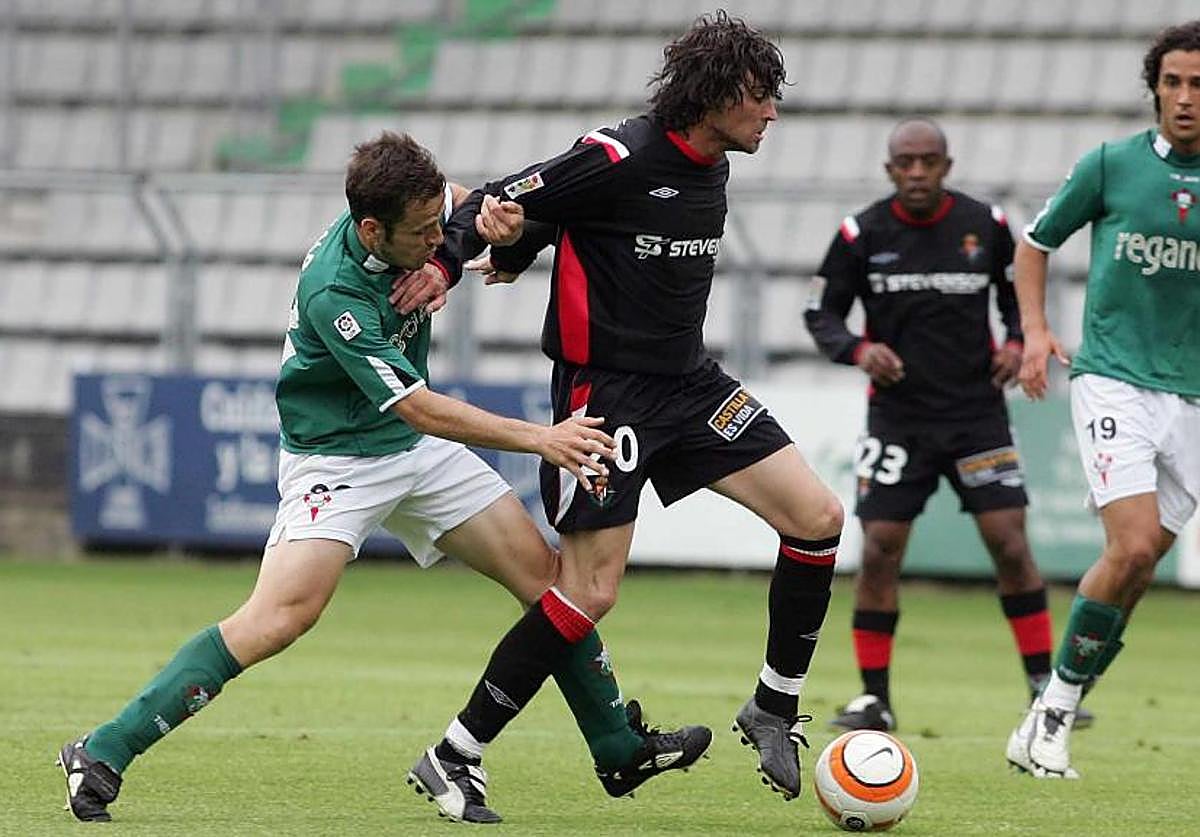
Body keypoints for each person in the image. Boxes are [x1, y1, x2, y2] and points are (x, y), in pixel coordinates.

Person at [57, 131, 708, 824]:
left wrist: (501, 236)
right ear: (372, 230)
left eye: (436, 224)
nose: (436, 239)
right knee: (280, 617)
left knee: (551, 583)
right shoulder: (335, 291)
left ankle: (617, 747)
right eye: (423, 233)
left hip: (413, 451)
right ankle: (102, 749)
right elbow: (418, 406)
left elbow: (476, 207)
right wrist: (541, 439)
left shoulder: (414, 211)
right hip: (338, 459)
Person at [397, 11, 844, 814]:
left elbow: (570, 222)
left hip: (692, 386)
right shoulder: (619, 153)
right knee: (589, 590)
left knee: (817, 518)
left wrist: (527, 243)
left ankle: (773, 705)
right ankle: (454, 752)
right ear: (715, 96)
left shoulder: (713, 162)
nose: (772, 112)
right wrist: (454, 261)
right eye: (760, 96)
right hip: (607, 398)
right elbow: (505, 199)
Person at [804, 118, 1089, 733]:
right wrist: (859, 351)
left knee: (1010, 543)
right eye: (905, 163)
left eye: (927, 161)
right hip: (898, 418)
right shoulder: (861, 233)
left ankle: (1044, 689)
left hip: (976, 416)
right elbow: (820, 314)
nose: (916, 173)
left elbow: (1018, 300)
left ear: (946, 166)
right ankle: (874, 698)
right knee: (880, 549)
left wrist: (1015, 343)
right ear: (889, 170)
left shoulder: (985, 225)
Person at [1005, 22, 1200, 779]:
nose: (1185, 98)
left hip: (1192, 396)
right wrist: (1034, 330)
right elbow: (1034, 243)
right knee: (1134, 545)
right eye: (1173, 82)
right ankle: (1054, 713)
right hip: (1114, 377)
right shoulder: (1112, 165)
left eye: (1198, 84)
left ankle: (1049, 709)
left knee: (1139, 569)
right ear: (1155, 88)